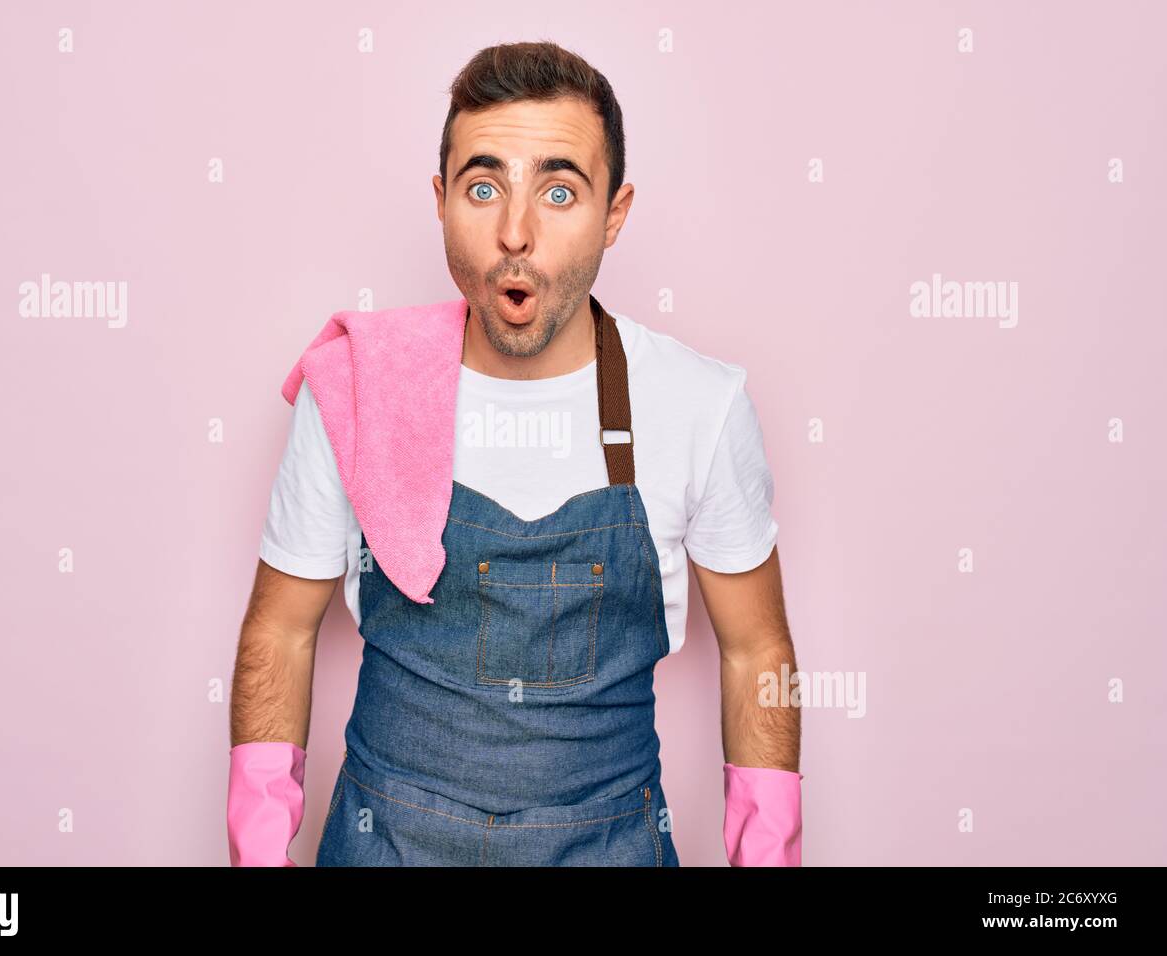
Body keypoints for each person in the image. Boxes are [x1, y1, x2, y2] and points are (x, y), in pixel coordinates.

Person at [226, 40, 802, 867]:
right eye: (484, 186)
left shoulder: (699, 404)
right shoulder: (354, 390)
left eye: (560, 191)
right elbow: (278, 633)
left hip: (613, 846)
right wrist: (256, 853)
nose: (515, 233)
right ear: (441, 200)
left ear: (615, 213)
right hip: (383, 844)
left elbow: (757, 651)